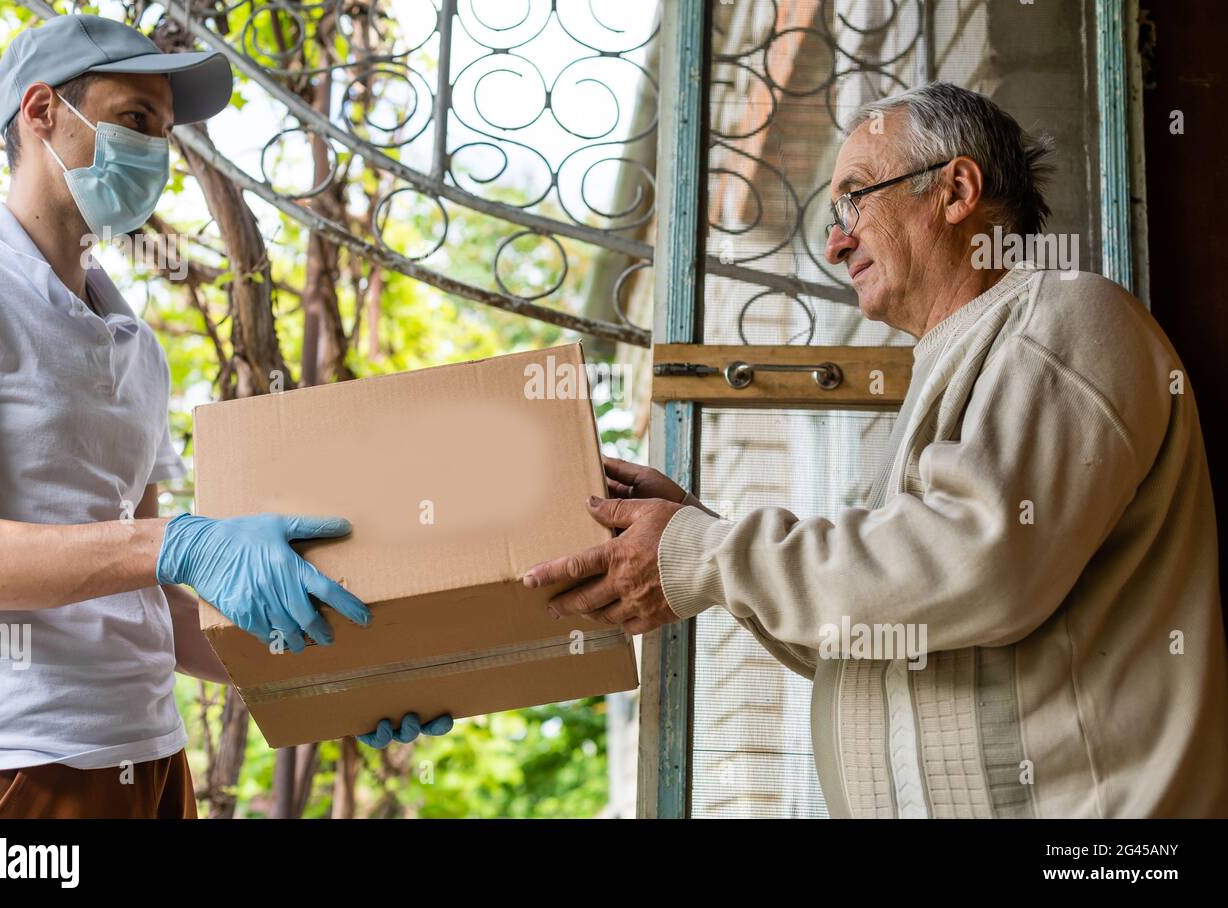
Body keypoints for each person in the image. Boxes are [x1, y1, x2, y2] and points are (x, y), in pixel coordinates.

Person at [525, 81, 1228, 818]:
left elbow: (981, 566)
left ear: (956, 190)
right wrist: (700, 542)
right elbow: (886, 627)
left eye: (856, 198)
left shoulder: (1065, 318)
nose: (835, 241)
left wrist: (708, 553)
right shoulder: (965, 359)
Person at [0, 14, 447, 819]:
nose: (154, 156)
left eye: (164, 134)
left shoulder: (133, 341)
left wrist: (344, 686)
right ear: (40, 113)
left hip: (154, 761)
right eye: (135, 120)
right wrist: (181, 540)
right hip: (10, 768)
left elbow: (149, 591)